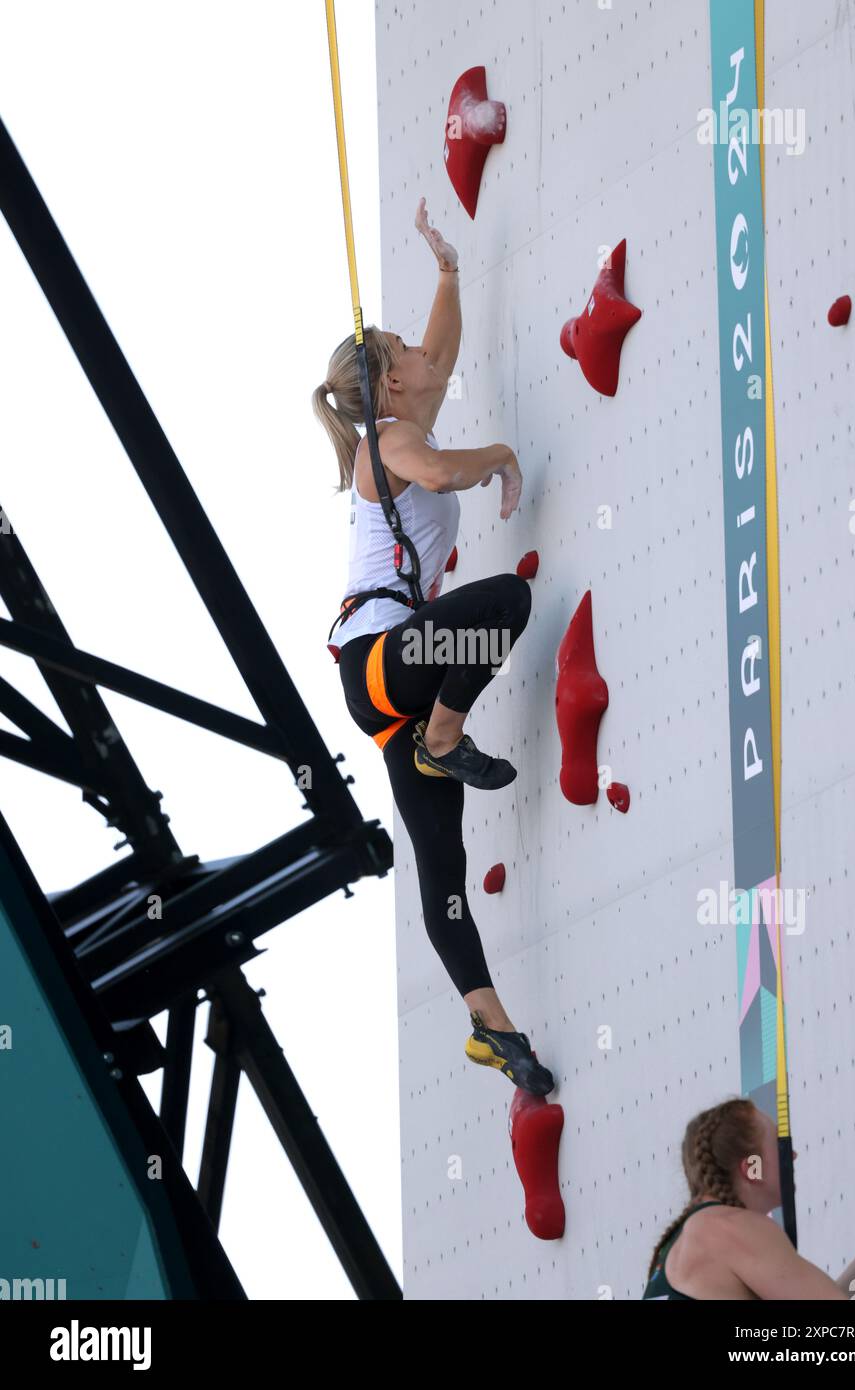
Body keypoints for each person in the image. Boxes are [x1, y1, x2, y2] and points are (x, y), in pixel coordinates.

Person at [312, 197, 553, 1097]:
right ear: (391, 387)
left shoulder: (403, 411)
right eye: (404, 351)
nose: (422, 351)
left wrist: (449, 270)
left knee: (443, 866)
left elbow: (441, 352)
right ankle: (444, 736)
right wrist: (503, 454)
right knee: (504, 599)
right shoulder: (388, 443)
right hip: (378, 668)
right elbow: (451, 471)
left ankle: (494, 1031)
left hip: (387, 686)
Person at [644, 1097, 855, 1299]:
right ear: (751, 1168)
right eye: (781, 1145)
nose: (793, 1155)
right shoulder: (732, 1229)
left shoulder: (697, 1232)